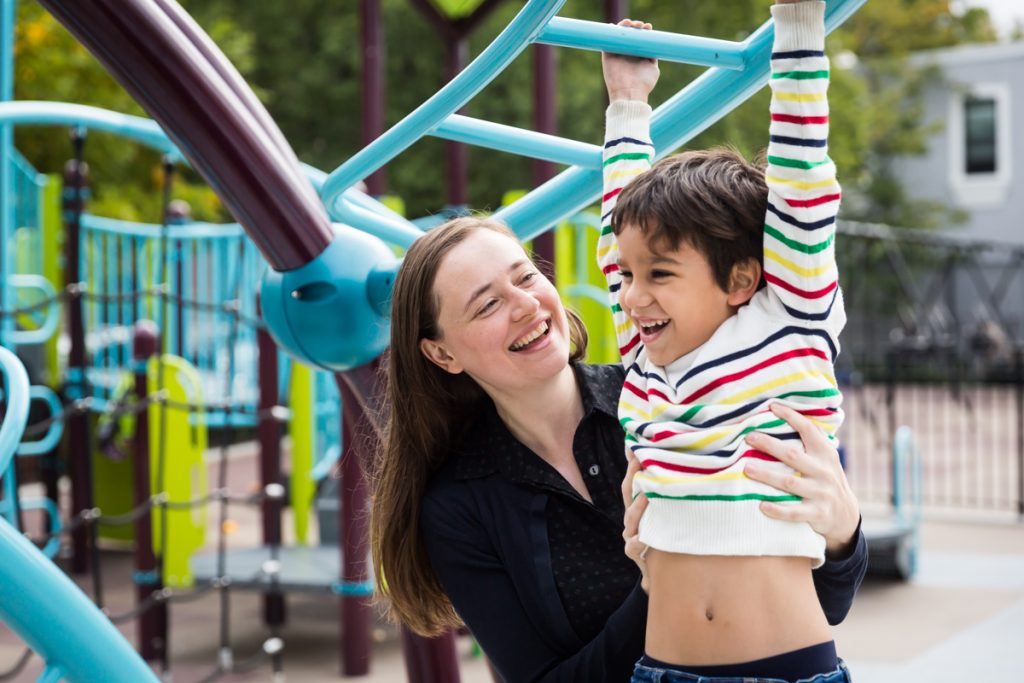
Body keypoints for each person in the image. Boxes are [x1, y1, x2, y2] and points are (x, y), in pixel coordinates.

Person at [370, 220, 865, 680]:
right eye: (487, 305)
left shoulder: (674, 404)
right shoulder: (459, 506)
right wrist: (658, 581)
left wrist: (842, 531)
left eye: (524, 278)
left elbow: (827, 601)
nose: (524, 305)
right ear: (442, 353)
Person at [599, 2, 855, 681]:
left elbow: (803, 187)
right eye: (628, 277)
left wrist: (798, 25)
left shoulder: (790, 322)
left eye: (659, 274)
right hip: (661, 669)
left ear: (741, 277)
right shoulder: (648, 352)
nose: (631, 294)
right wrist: (628, 103)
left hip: (786, 668)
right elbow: (618, 228)